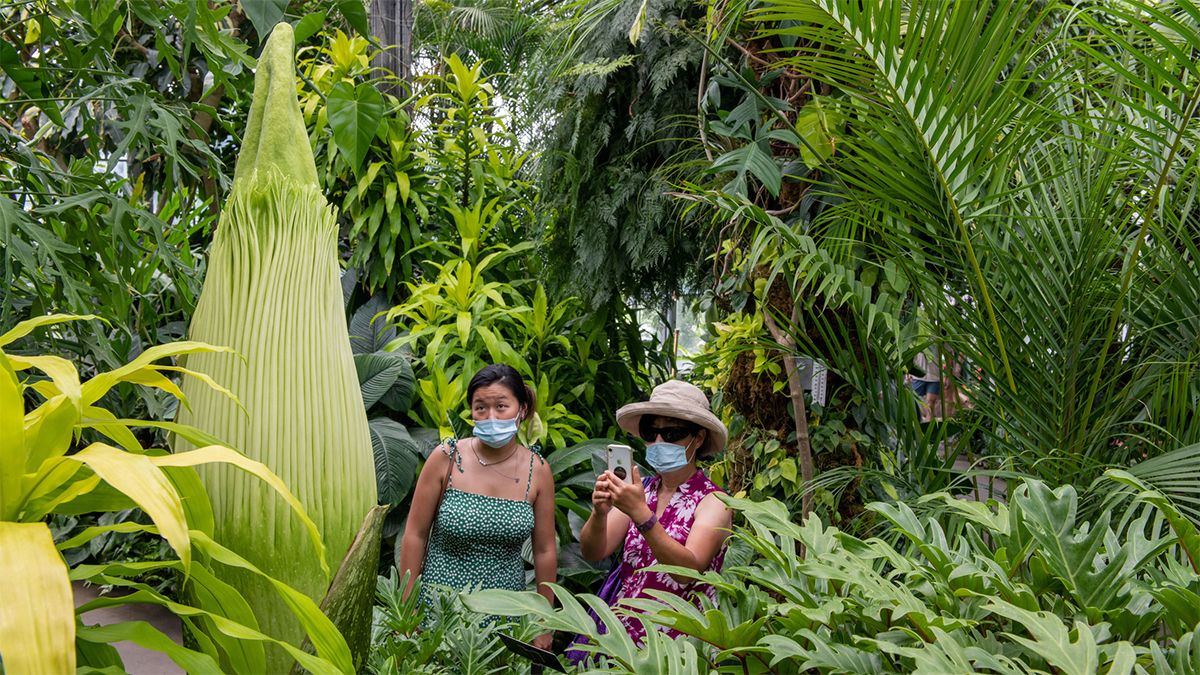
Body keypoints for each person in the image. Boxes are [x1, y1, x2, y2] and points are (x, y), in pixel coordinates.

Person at [397, 364, 557, 649]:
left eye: (501, 406)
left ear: (521, 409)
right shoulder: (446, 457)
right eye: (480, 407)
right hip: (438, 612)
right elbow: (414, 535)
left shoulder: (538, 470)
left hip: (506, 617)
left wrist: (543, 620)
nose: (490, 416)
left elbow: (544, 551)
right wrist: (407, 611)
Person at [576, 380, 732, 648]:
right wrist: (599, 512)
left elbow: (688, 572)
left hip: (678, 647)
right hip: (621, 638)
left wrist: (642, 515)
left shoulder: (715, 501)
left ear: (699, 437)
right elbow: (593, 551)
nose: (659, 441)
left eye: (672, 433)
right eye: (651, 431)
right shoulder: (642, 490)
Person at [910, 345, 942, 422]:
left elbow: (949, 353)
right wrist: (910, 370)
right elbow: (912, 351)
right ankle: (918, 429)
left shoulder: (942, 333)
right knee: (915, 405)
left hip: (934, 376)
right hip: (918, 374)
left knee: (930, 406)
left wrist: (949, 375)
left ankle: (928, 431)